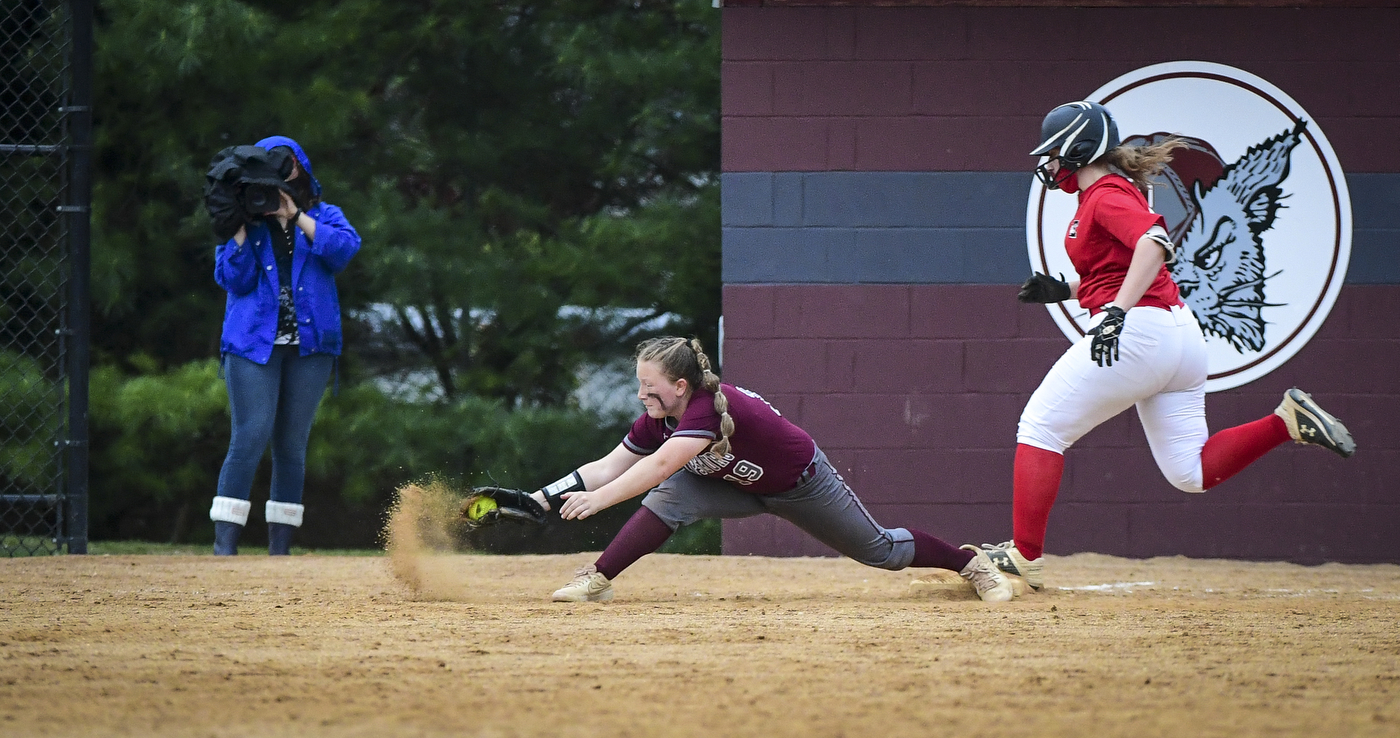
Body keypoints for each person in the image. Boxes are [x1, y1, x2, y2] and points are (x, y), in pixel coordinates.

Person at [974, 101, 1356, 589]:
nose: (1047, 163)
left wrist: (1116, 312)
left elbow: (1155, 243)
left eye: (1053, 152)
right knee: (1190, 472)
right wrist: (1065, 289)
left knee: (1040, 428)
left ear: (1077, 148)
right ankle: (1286, 422)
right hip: (1178, 335)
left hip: (1139, 332)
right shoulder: (1105, 193)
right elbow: (1117, 268)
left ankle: (1024, 555)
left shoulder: (1104, 194)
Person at [522, 336, 1015, 603]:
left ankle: (971, 564)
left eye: (649, 387)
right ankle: (598, 577)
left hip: (801, 485)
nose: (640, 395)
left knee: (881, 551)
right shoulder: (659, 416)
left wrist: (598, 501)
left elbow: (660, 464)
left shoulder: (706, 409)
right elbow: (609, 466)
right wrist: (538, 499)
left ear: (680, 386)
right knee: (669, 497)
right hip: (732, 486)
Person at [209, 136, 361, 555]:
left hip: (311, 347)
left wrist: (295, 216)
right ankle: (225, 548)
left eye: (287, 162)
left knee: (292, 444)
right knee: (251, 434)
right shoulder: (246, 220)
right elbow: (234, 281)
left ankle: (280, 550)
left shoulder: (324, 215)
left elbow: (344, 251)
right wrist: (238, 229)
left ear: (301, 167)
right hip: (252, 344)